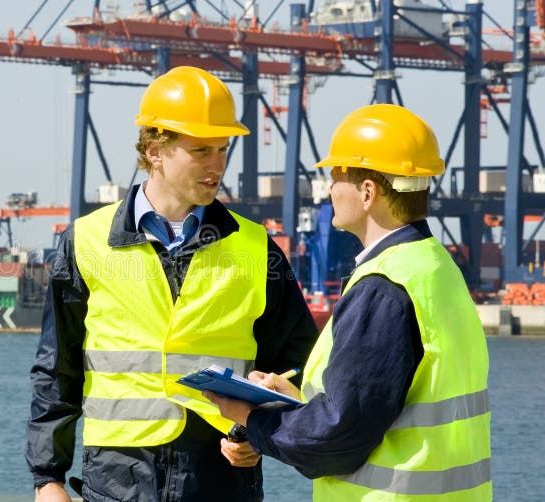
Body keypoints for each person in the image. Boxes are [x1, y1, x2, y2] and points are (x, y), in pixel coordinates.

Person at [25, 65, 319, 501]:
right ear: (154, 149)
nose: (216, 164)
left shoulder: (258, 249)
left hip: (220, 481)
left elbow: (296, 371)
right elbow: (56, 370)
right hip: (117, 484)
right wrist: (47, 479)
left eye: (223, 149)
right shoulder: (84, 242)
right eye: (201, 149)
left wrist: (260, 434)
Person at [207, 103, 492, 501]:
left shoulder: (383, 288)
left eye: (335, 175)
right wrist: (296, 403)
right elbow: (383, 405)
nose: (328, 188)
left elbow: (335, 440)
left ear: (367, 192)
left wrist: (250, 417)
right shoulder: (436, 268)